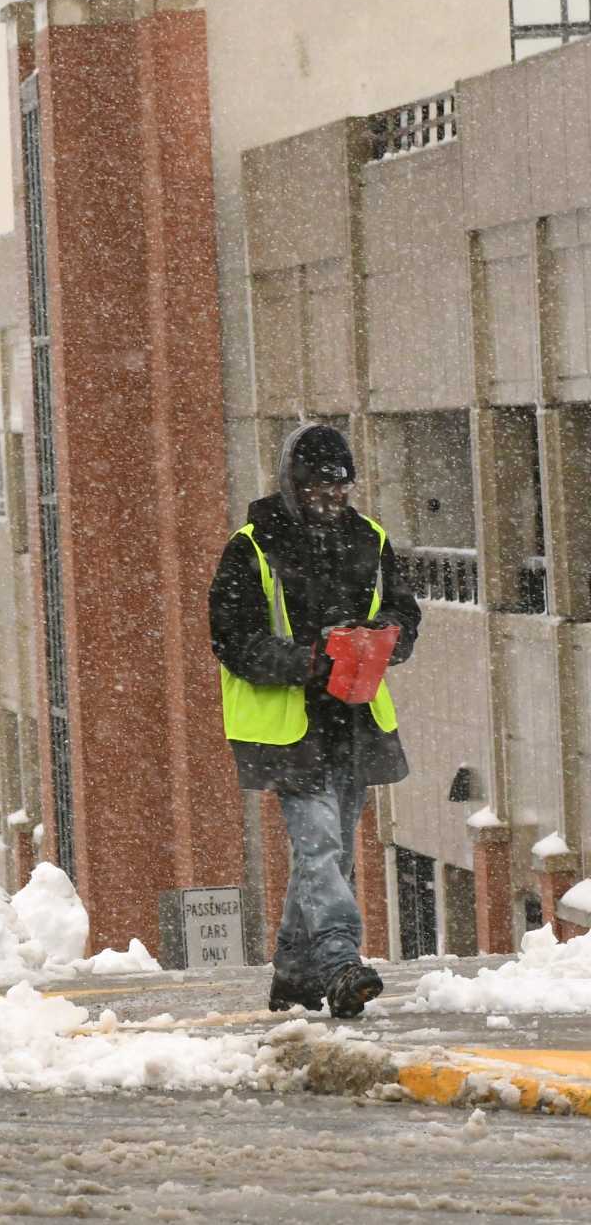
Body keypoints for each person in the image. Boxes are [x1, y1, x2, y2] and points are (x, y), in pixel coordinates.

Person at [208, 424, 421, 1019]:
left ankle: (293, 979)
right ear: (293, 486)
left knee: (328, 855)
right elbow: (233, 641)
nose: (331, 501)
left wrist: (384, 642)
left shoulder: (368, 539)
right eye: (318, 490)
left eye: (340, 489)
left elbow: (404, 611)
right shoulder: (252, 546)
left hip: (354, 721)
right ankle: (338, 965)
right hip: (287, 731)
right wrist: (312, 657)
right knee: (322, 845)